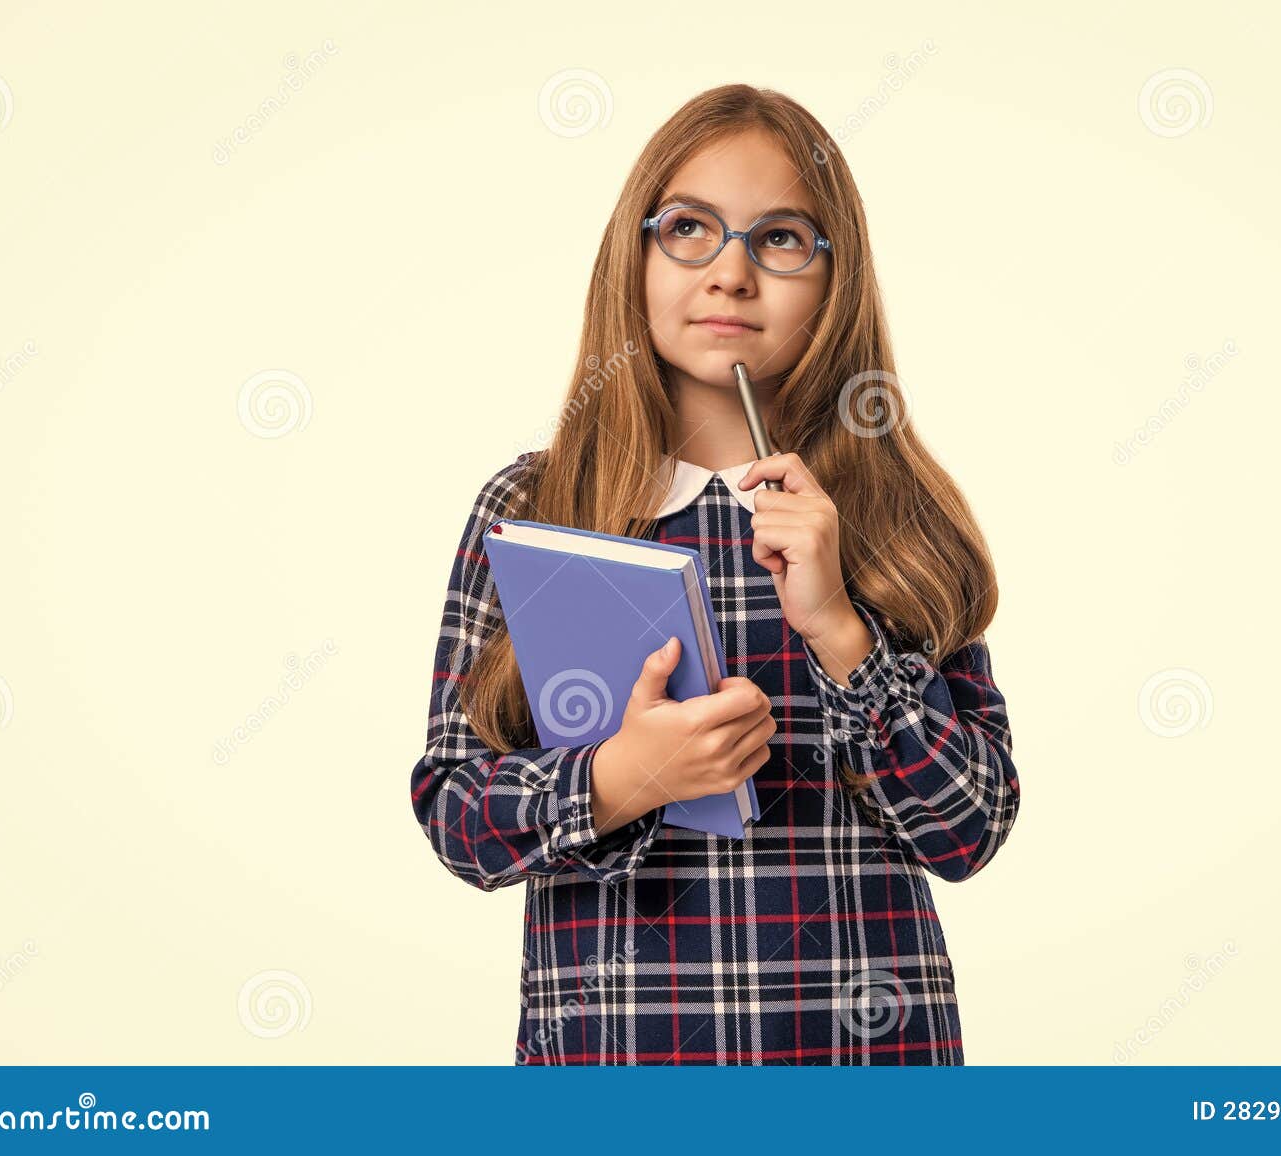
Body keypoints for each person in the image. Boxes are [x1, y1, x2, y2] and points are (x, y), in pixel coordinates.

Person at [409, 83, 1020, 1064]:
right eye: (690, 229)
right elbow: (456, 815)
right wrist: (623, 777)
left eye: (779, 239)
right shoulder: (536, 506)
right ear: (634, 256)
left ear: (836, 281)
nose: (731, 274)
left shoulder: (889, 513)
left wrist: (841, 632)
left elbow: (968, 830)